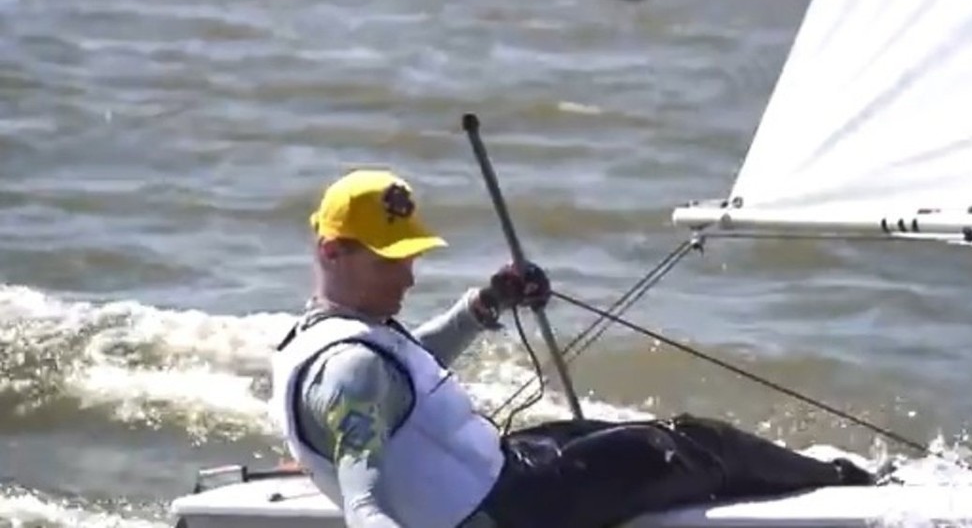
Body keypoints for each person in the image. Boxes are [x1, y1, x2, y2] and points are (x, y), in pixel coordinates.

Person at [269, 168, 878, 528]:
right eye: (392, 263)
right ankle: (849, 484)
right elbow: (364, 506)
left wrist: (485, 305)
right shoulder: (350, 373)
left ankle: (814, 475)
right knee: (693, 444)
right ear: (332, 252)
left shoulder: (327, 340)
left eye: (412, 259)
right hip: (515, 511)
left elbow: (401, 377)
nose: (408, 279)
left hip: (505, 470)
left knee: (604, 431)